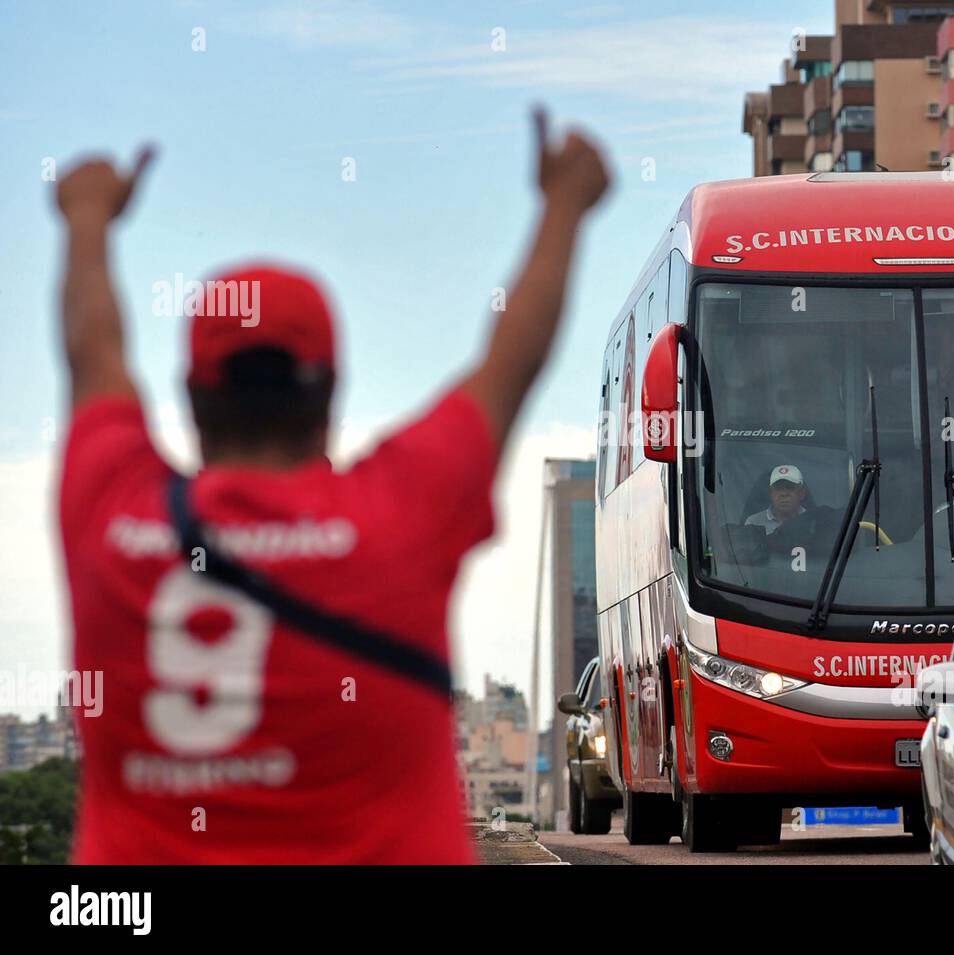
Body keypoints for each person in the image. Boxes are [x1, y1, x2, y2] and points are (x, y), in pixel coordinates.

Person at [53, 109, 609, 863]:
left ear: (189, 391)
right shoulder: (397, 513)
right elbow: (512, 356)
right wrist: (565, 205)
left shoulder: (110, 515)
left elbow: (94, 354)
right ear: (333, 392)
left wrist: (86, 219)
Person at [745, 465, 808, 534]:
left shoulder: (813, 522)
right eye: (778, 488)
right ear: (770, 493)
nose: (784, 494)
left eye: (790, 487)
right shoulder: (753, 523)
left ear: (802, 493)